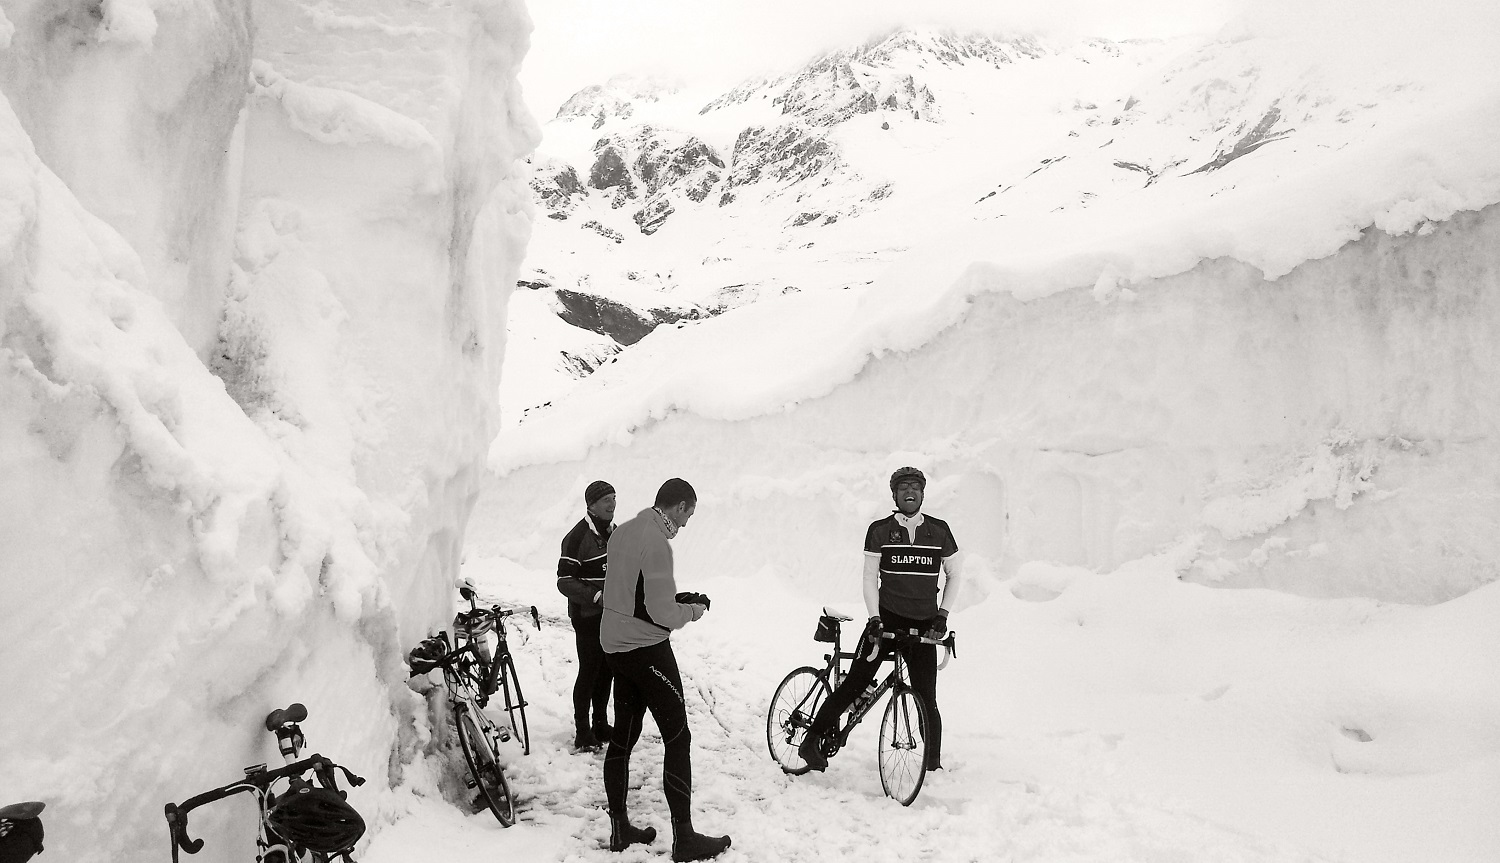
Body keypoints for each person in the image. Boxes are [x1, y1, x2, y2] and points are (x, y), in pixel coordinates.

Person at [599, 478, 731, 862]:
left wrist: (674, 597)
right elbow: (661, 614)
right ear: (679, 507)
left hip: (615, 646)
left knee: (623, 734)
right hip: (646, 649)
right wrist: (692, 610)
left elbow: (631, 593)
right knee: (678, 736)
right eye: (689, 514)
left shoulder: (622, 532)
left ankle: (620, 827)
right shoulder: (657, 544)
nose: (687, 523)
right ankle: (684, 838)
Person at [798, 466, 962, 773]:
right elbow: (870, 577)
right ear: (894, 495)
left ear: (923, 494)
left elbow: (954, 573)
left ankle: (932, 763)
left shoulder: (939, 531)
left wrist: (942, 614)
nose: (910, 492)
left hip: (924, 625)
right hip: (886, 621)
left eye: (915, 487)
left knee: (928, 697)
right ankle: (811, 739)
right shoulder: (880, 530)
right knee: (855, 685)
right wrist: (874, 618)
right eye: (903, 488)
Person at [557, 479, 618, 751]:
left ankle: (600, 724)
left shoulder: (614, 532)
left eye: (614, 499)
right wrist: (596, 596)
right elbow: (564, 580)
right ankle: (582, 730)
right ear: (591, 504)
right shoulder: (577, 537)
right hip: (587, 616)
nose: (613, 505)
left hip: (610, 615)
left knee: (607, 671)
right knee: (589, 670)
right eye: (607, 500)